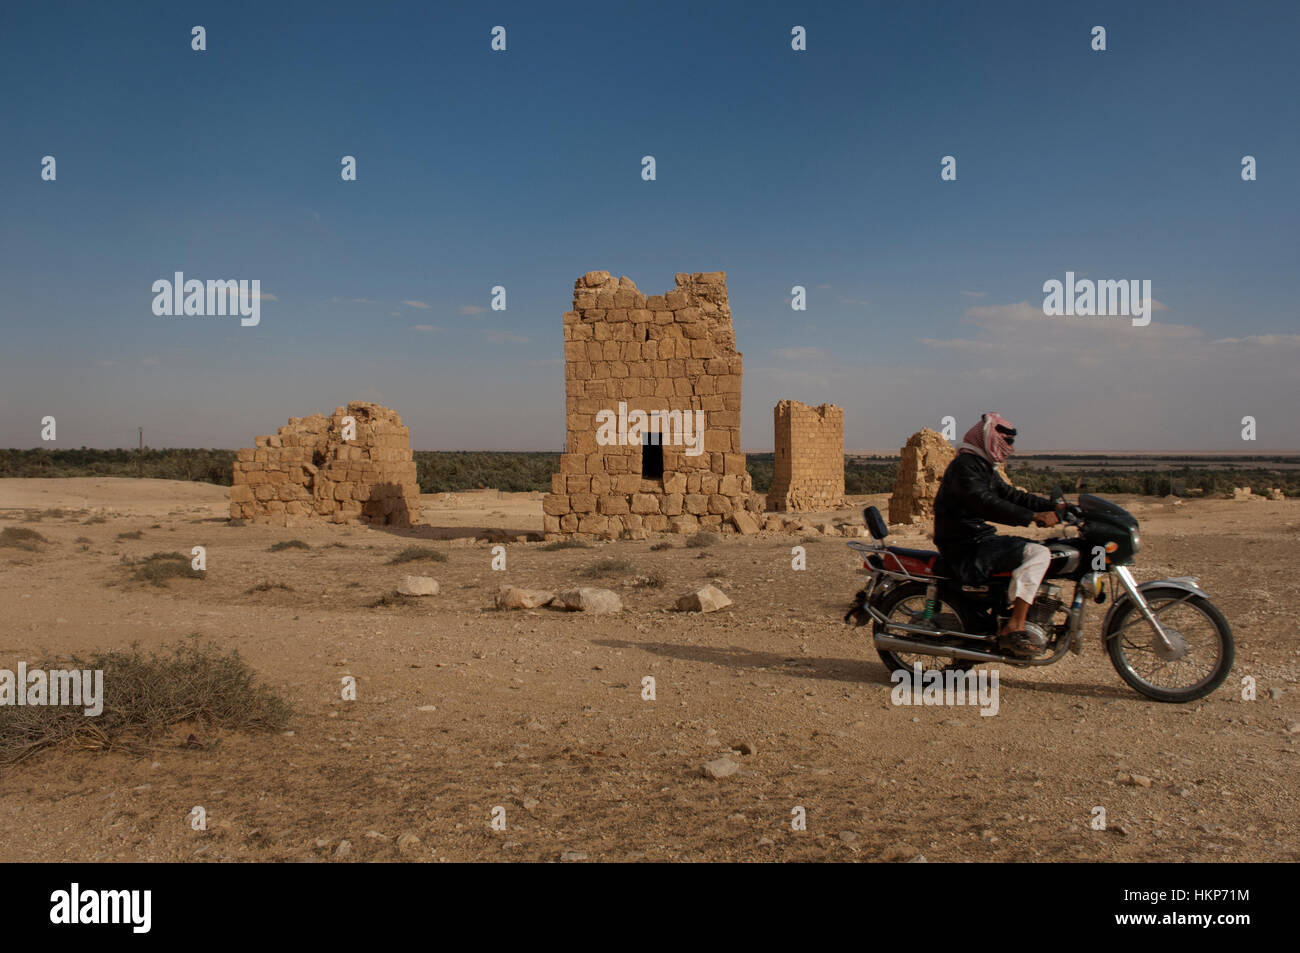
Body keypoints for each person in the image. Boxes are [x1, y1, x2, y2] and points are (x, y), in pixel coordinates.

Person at [932, 413, 1061, 657]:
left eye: (1012, 442)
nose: (1009, 447)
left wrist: (1052, 507)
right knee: (1039, 553)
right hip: (965, 545)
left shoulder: (982, 467)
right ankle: (1015, 625)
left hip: (978, 539)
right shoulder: (965, 467)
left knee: (1043, 550)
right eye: (1006, 441)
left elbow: (1011, 495)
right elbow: (985, 502)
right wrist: (1031, 517)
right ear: (987, 438)